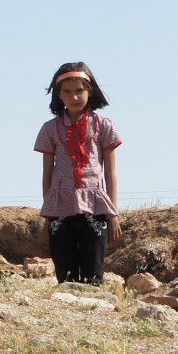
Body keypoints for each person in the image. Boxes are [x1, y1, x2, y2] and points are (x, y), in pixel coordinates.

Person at [34, 62, 122, 285]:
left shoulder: (104, 126)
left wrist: (113, 213)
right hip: (60, 206)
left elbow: (110, 173)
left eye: (79, 91)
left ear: (90, 91)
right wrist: (48, 215)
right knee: (65, 276)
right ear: (59, 95)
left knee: (94, 275)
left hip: (95, 207)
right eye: (67, 92)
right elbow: (47, 174)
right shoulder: (49, 129)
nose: (74, 97)